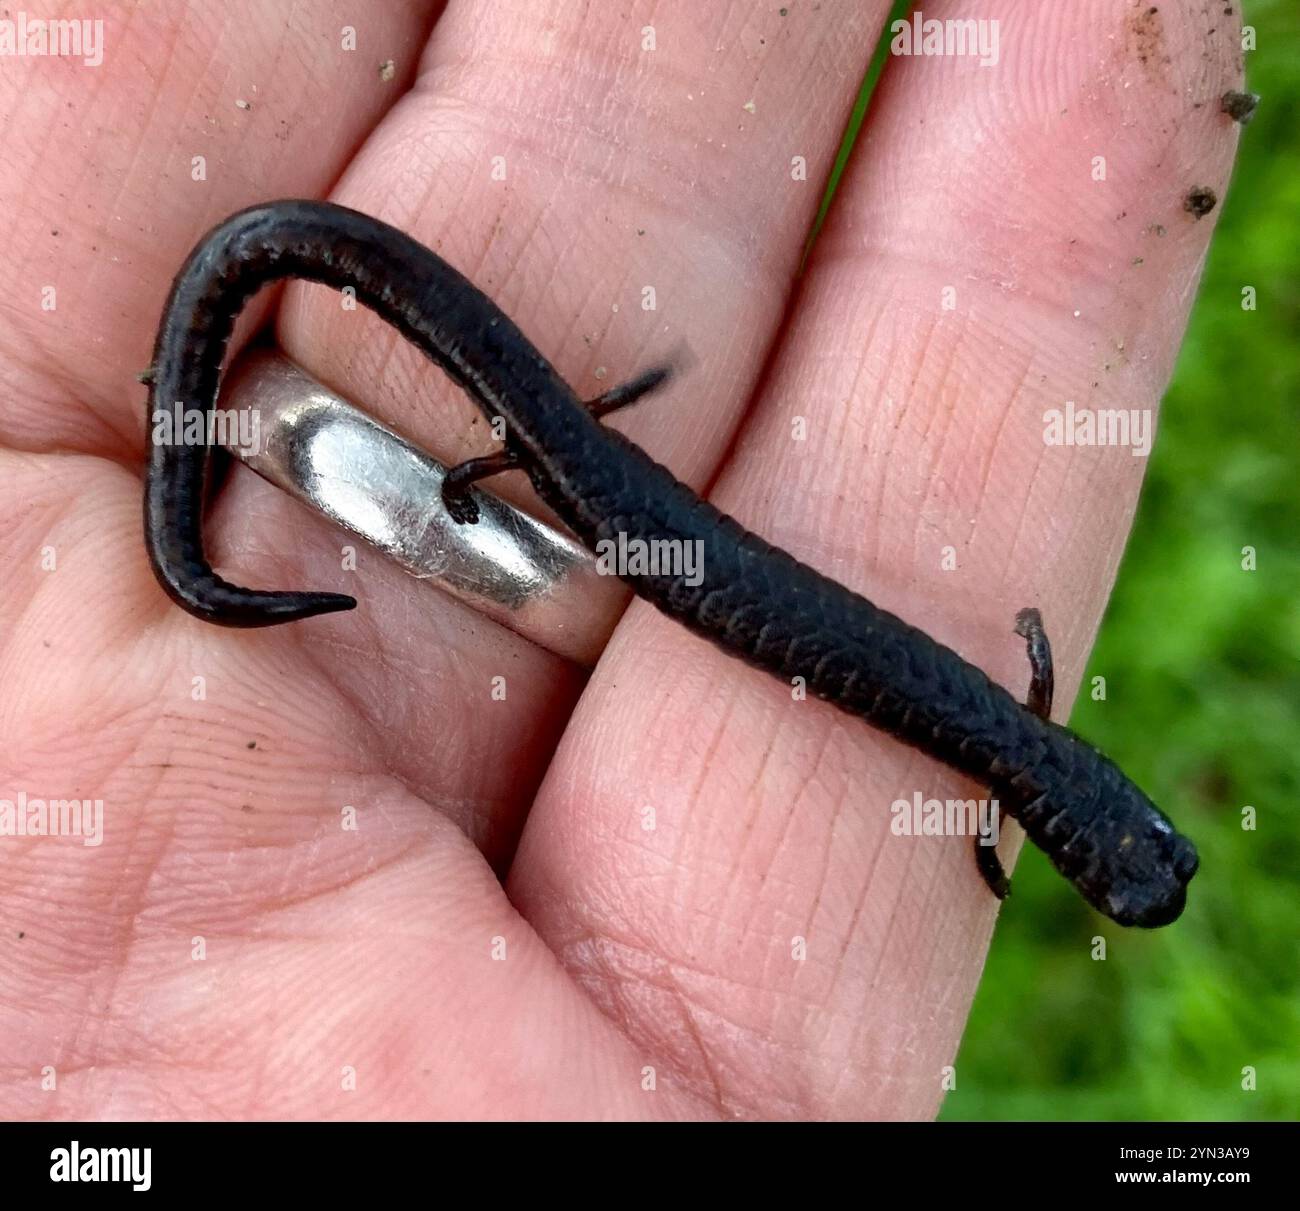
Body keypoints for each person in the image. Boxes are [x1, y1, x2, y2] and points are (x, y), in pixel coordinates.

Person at [0, 2, 1242, 1119]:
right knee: (562, 453)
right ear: (1044, 812)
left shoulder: (1013, 734)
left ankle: (417, 438)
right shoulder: (994, 769)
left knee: (566, 453)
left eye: (1126, 861)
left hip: (620, 501)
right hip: (612, 500)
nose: (1127, 858)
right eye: (1127, 854)